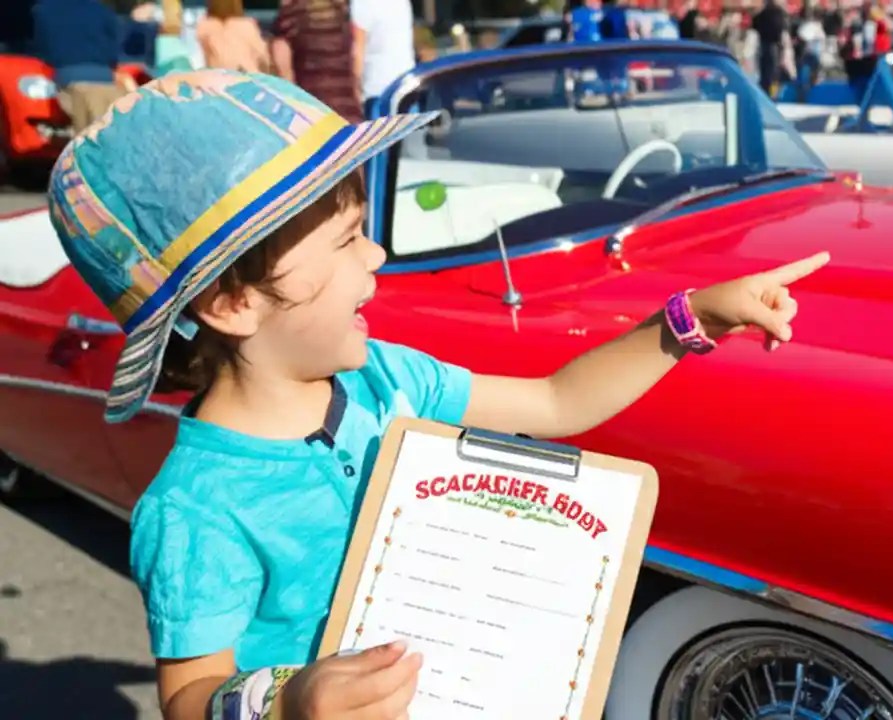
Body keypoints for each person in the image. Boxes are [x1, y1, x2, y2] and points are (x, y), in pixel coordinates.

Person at [45, 68, 828, 720]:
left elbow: (557, 403)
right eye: (348, 238)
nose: (376, 253)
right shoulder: (197, 508)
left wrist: (691, 319)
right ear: (232, 304)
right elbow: (188, 697)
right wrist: (290, 701)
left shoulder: (388, 380)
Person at [30, 0, 126, 133]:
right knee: (105, 133)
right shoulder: (102, 10)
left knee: (85, 137)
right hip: (104, 78)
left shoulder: (43, 10)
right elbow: (115, 49)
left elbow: (41, 48)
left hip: (69, 77)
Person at [271, 0, 363, 123]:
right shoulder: (342, 13)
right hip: (349, 114)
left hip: (313, 116)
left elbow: (282, 68)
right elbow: (355, 60)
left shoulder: (289, 17)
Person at [350, 0, 415, 118]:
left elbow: (357, 50)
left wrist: (353, 91)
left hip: (377, 92)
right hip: (408, 88)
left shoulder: (362, 3)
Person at [196, 0, 271, 74]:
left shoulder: (204, 25)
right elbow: (264, 59)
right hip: (249, 76)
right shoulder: (247, 25)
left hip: (219, 79)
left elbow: (207, 62)